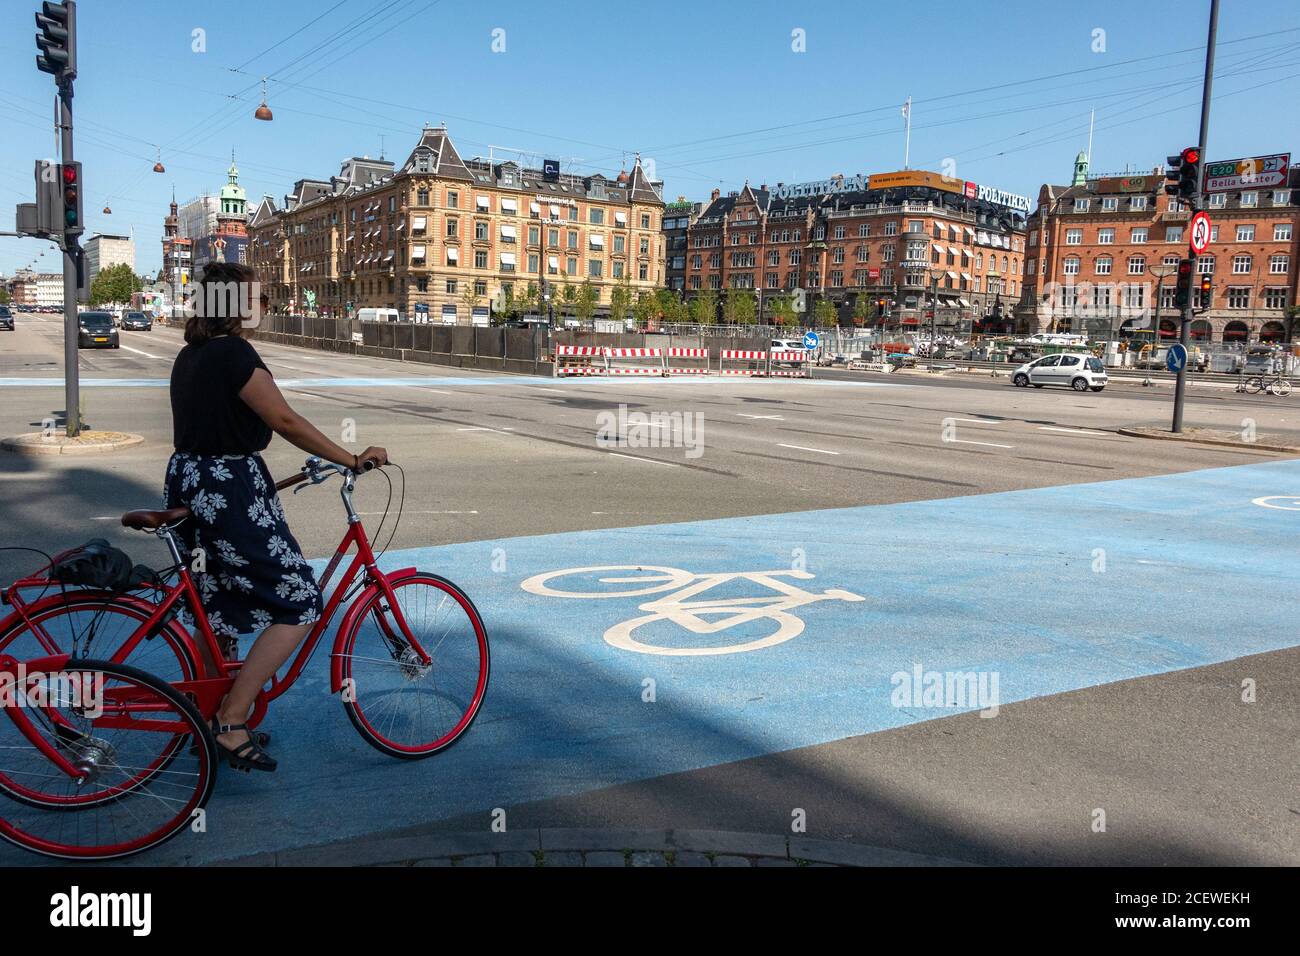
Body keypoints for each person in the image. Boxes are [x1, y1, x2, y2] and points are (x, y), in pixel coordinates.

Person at [166, 262, 386, 771]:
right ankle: (231, 719)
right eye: (258, 298)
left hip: (191, 479)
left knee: (212, 603)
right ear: (234, 304)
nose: (264, 306)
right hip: (229, 487)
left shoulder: (191, 353)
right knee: (301, 601)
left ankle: (205, 713)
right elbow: (283, 418)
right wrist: (350, 459)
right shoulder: (232, 352)